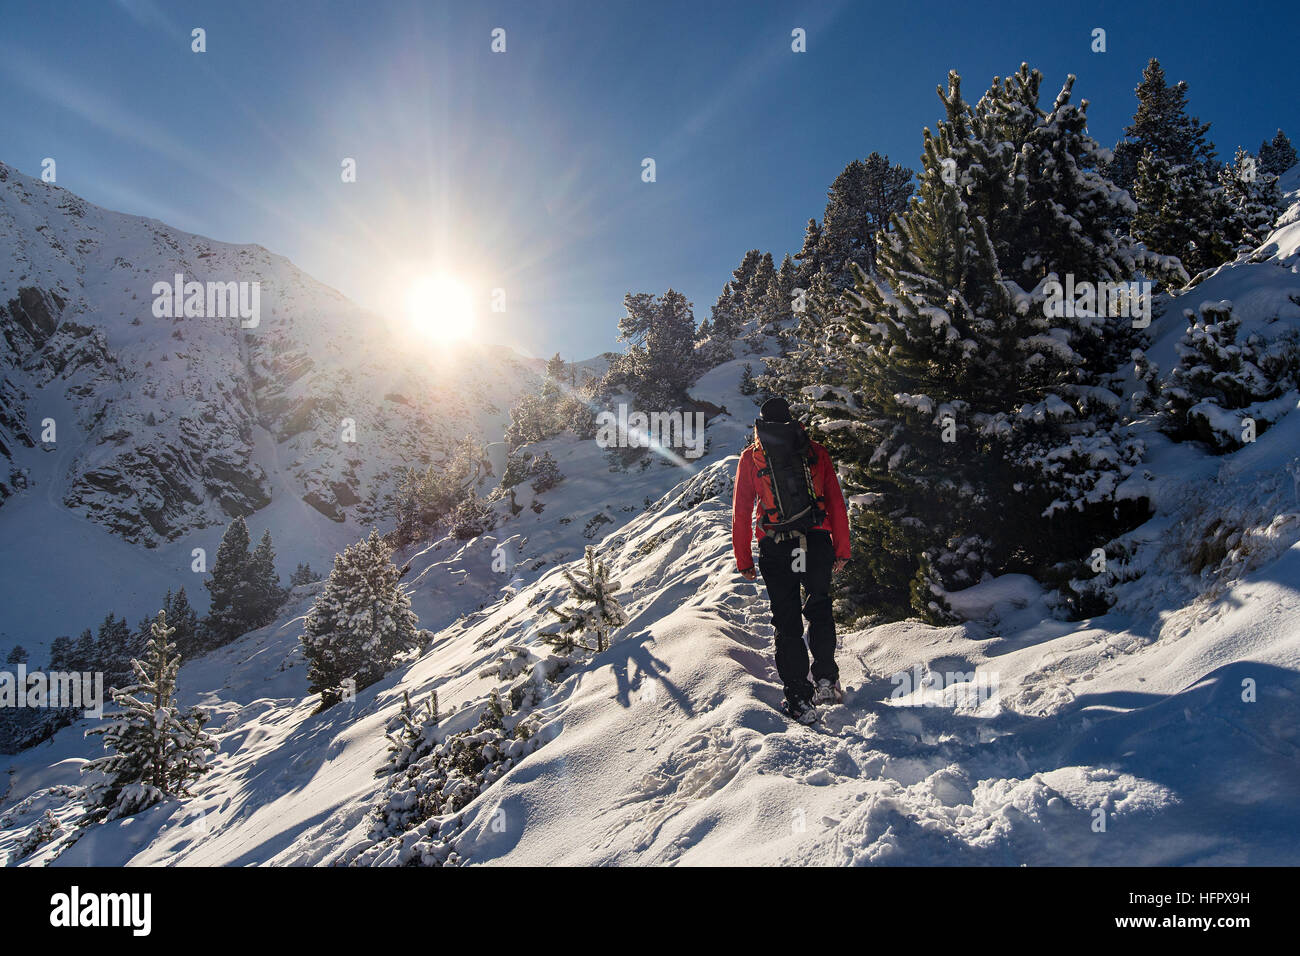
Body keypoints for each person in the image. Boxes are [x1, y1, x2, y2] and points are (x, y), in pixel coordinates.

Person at [732, 396, 850, 723]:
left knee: (787, 622)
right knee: (820, 607)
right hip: (815, 541)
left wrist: (744, 559)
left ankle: (799, 698)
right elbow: (836, 504)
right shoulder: (815, 452)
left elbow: (742, 511)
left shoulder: (752, 457)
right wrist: (842, 549)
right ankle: (826, 681)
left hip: (777, 547)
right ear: (792, 422)